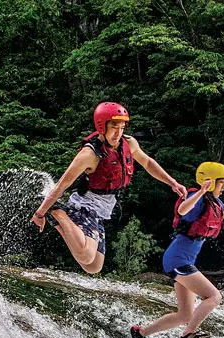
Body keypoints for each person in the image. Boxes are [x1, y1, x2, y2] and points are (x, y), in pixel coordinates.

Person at [129, 162, 224, 338]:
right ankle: (188, 334)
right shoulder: (197, 198)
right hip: (177, 260)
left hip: (184, 261)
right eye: (221, 183)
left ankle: (141, 332)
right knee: (214, 296)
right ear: (210, 183)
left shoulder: (216, 203)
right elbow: (182, 210)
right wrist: (201, 191)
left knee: (185, 314)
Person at [30, 102, 186, 274]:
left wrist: (173, 182)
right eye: (113, 127)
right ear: (101, 126)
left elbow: (148, 162)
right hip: (84, 206)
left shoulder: (129, 143)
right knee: (86, 256)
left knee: (94, 267)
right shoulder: (89, 154)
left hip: (102, 210)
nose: (118, 132)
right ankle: (59, 212)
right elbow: (62, 184)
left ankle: (58, 221)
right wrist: (40, 212)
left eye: (122, 127)